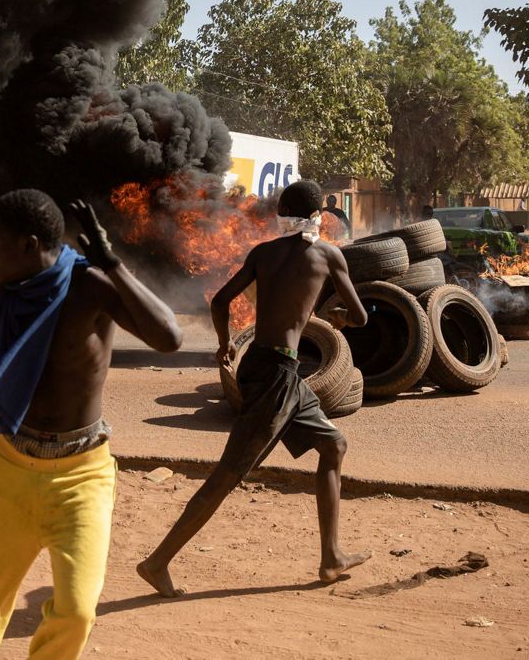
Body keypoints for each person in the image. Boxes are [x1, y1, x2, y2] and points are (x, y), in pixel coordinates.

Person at [0, 189, 181, 658]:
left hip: (82, 475)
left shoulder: (90, 285)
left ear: (30, 246)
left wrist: (111, 261)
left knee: (76, 611)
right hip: (10, 469)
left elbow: (168, 338)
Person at [137, 180, 372, 598]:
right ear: (320, 214)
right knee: (228, 474)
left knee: (334, 445)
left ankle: (332, 556)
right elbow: (360, 317)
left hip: (267, 367)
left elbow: (219, 301)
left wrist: (225, 343)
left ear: (281, 216)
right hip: (278, 376)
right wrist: (336, 314)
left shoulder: (263, 253)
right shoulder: (328, 255)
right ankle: (157, 562)